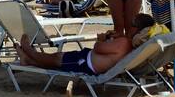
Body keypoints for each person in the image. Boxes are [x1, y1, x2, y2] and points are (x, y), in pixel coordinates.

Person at [15, 14, 156, 76]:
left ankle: (29, 51)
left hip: (85, 63)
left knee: (57, 59)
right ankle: (28, 60)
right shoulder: (131, 45)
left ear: (136, 29)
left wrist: (101, 39)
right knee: (57, 62)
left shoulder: (124, 43)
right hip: (88, 62)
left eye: (131, 25)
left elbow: (98, 48)